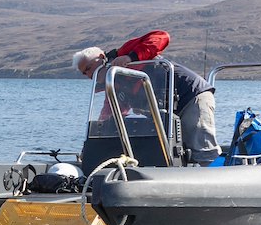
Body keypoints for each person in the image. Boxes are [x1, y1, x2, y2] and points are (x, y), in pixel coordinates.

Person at [73, 30, 221, 164]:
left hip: (191, 97)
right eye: (84, 73)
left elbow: (161, 37)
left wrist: (130, 57)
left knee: (202, 147)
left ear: (101, 58)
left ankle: (215, 178)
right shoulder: (114, 86)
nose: (89, 75)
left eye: (89, 68)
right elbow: (109, 115)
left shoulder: (125, 52)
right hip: (167, 113)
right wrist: (91, 145)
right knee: (162, 148)